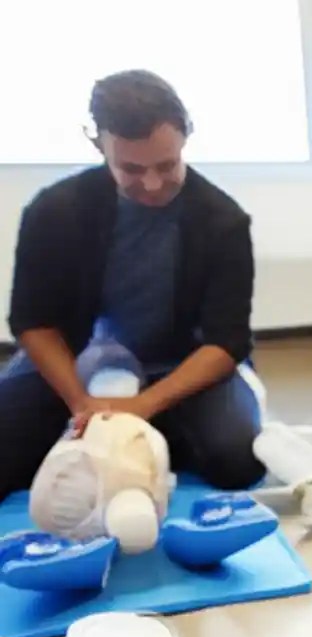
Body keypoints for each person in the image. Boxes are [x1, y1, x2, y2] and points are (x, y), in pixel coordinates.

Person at [0, 69, 264, 501]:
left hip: (180, 362)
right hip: (77, 360)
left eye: (167, 165)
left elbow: (226, 342)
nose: (153, 184)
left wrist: (142, 406)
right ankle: (123, 431)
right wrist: (81, 403)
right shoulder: (53, 211)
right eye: (132, 169)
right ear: (100, 146)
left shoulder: (223, 221)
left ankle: (140, 431)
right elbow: (33, 322)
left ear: (186, 138)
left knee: (236, 460)